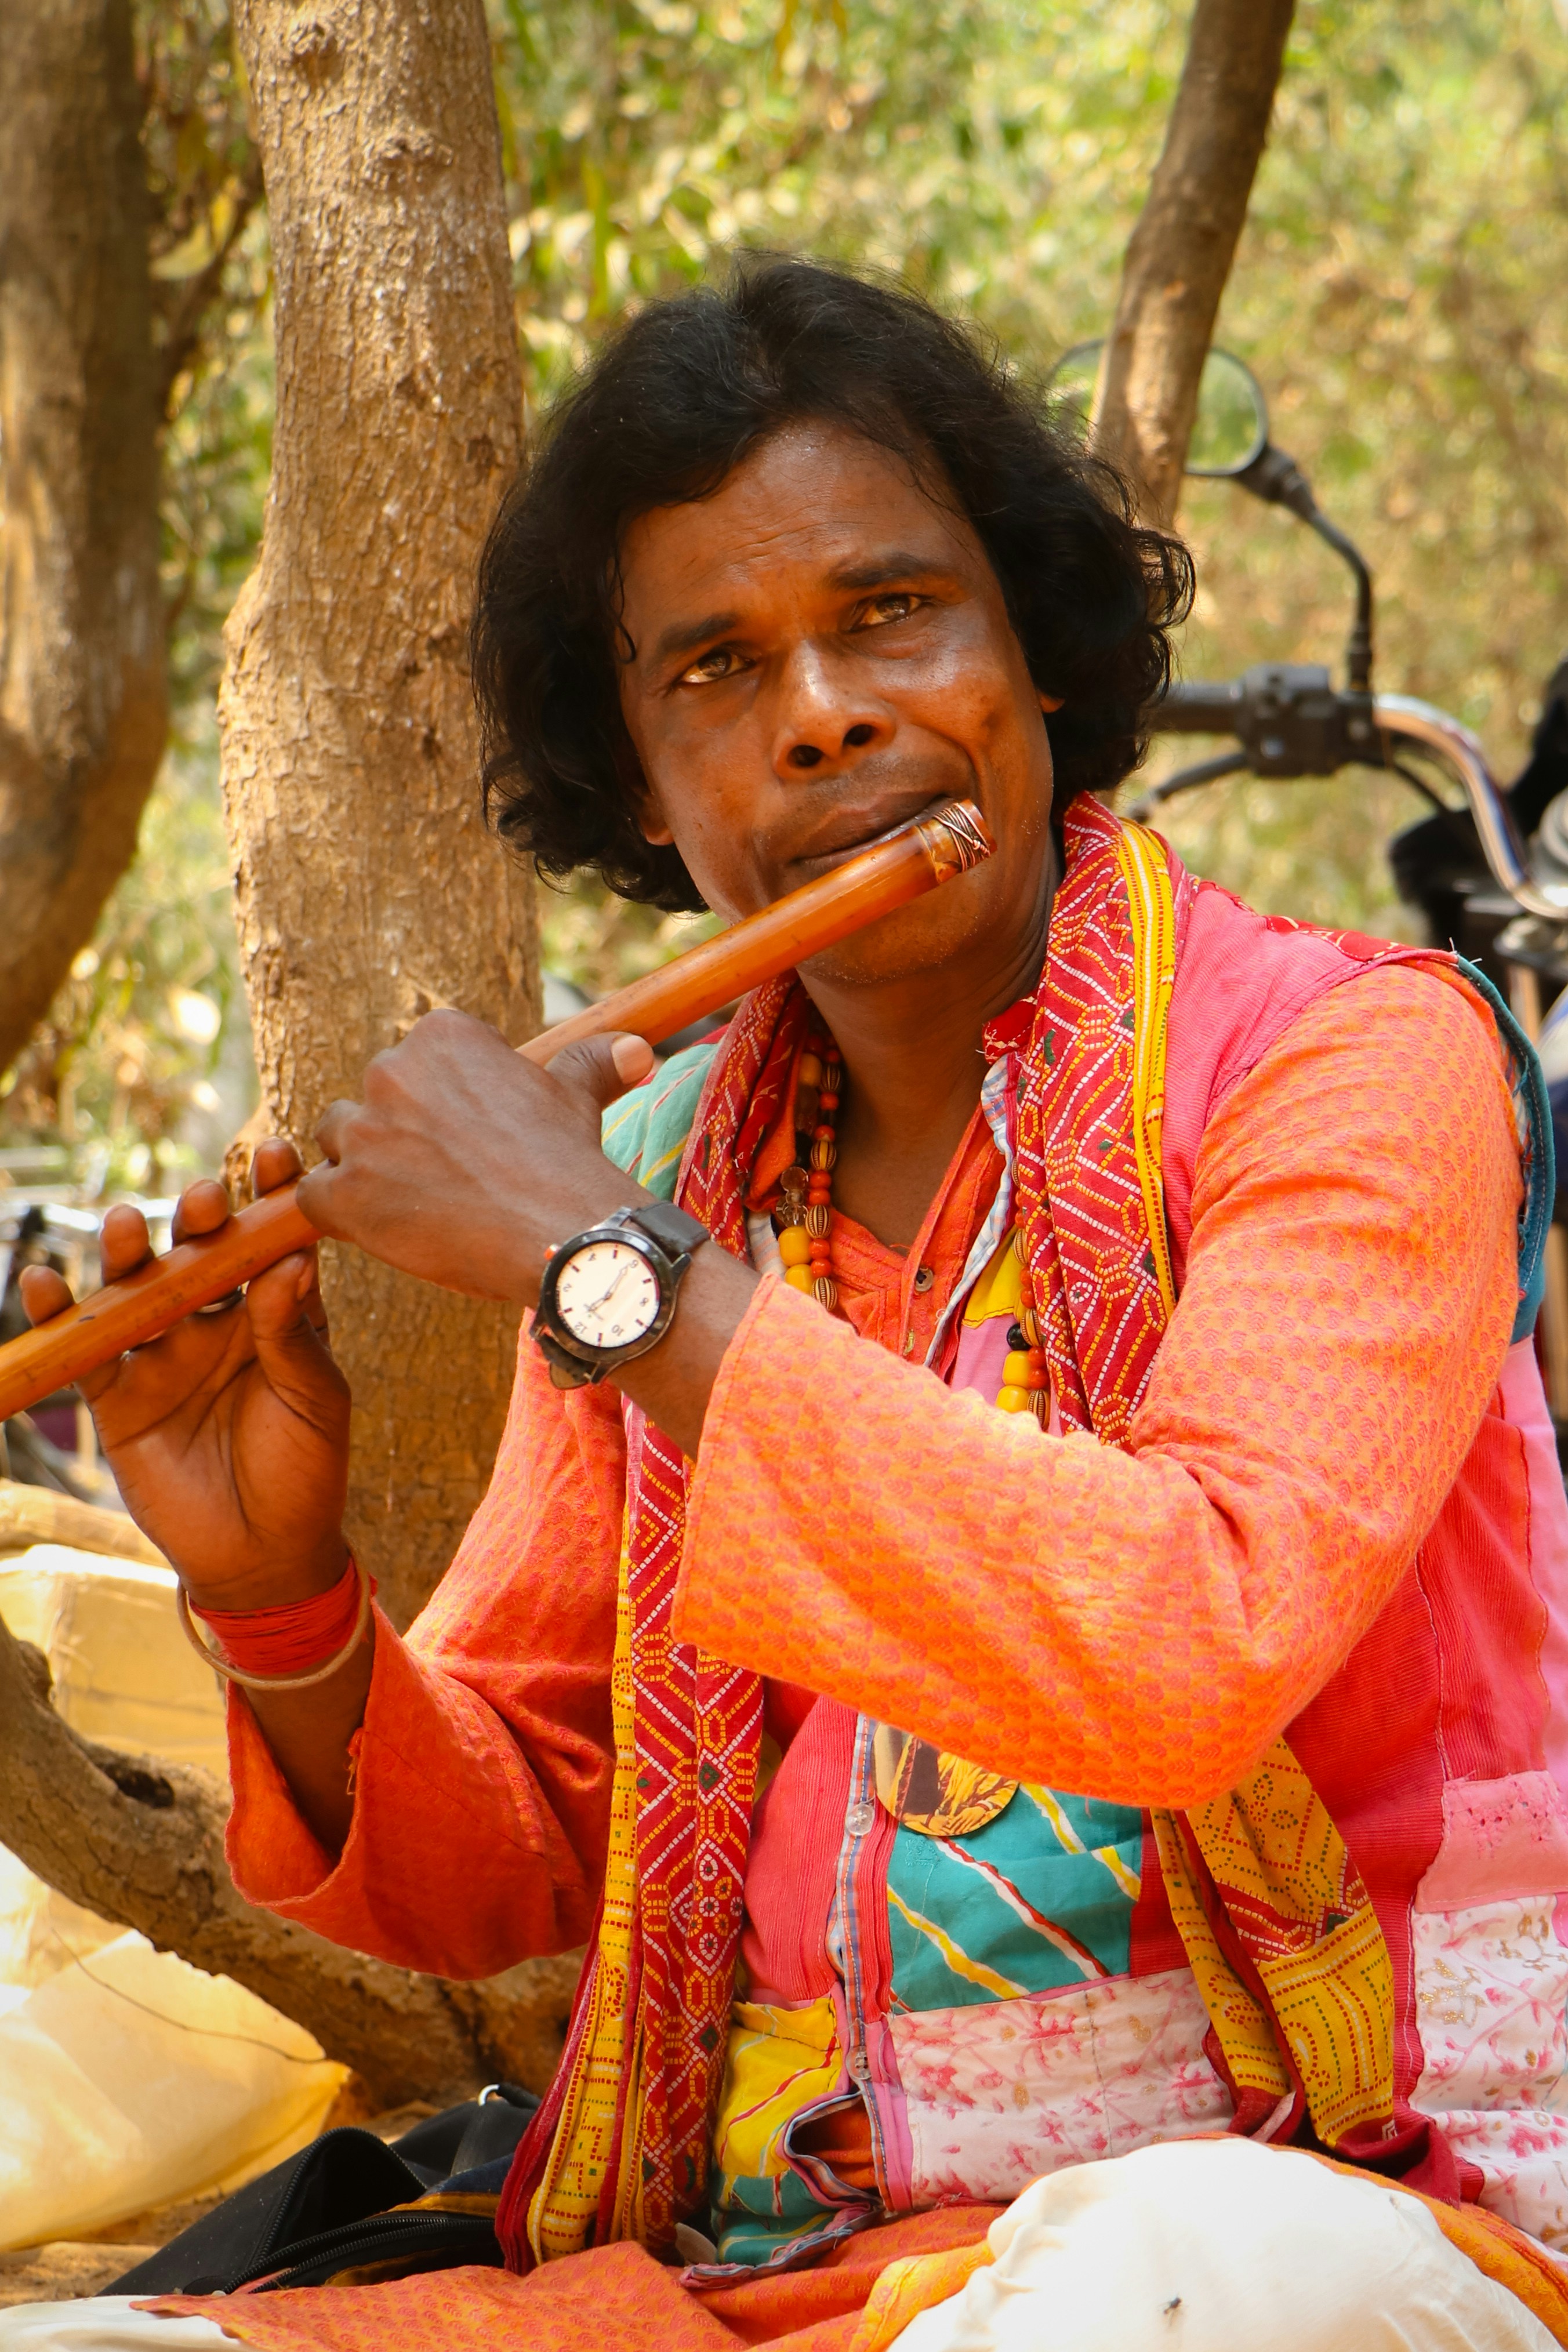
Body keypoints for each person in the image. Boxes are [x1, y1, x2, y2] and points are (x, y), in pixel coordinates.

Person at [8, 256, 1568, 2352]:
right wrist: (282, 1600)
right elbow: (529, 1851)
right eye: (718, 671)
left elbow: (1190, 1641)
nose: (823, 710)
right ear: (647, 789)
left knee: (1179, 2284)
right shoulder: (674, 1175)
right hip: (786, 2285)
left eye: (892, 615)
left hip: (1363, 2221)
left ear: (1030, 661)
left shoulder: (1355, 1066)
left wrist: (607, 1273)